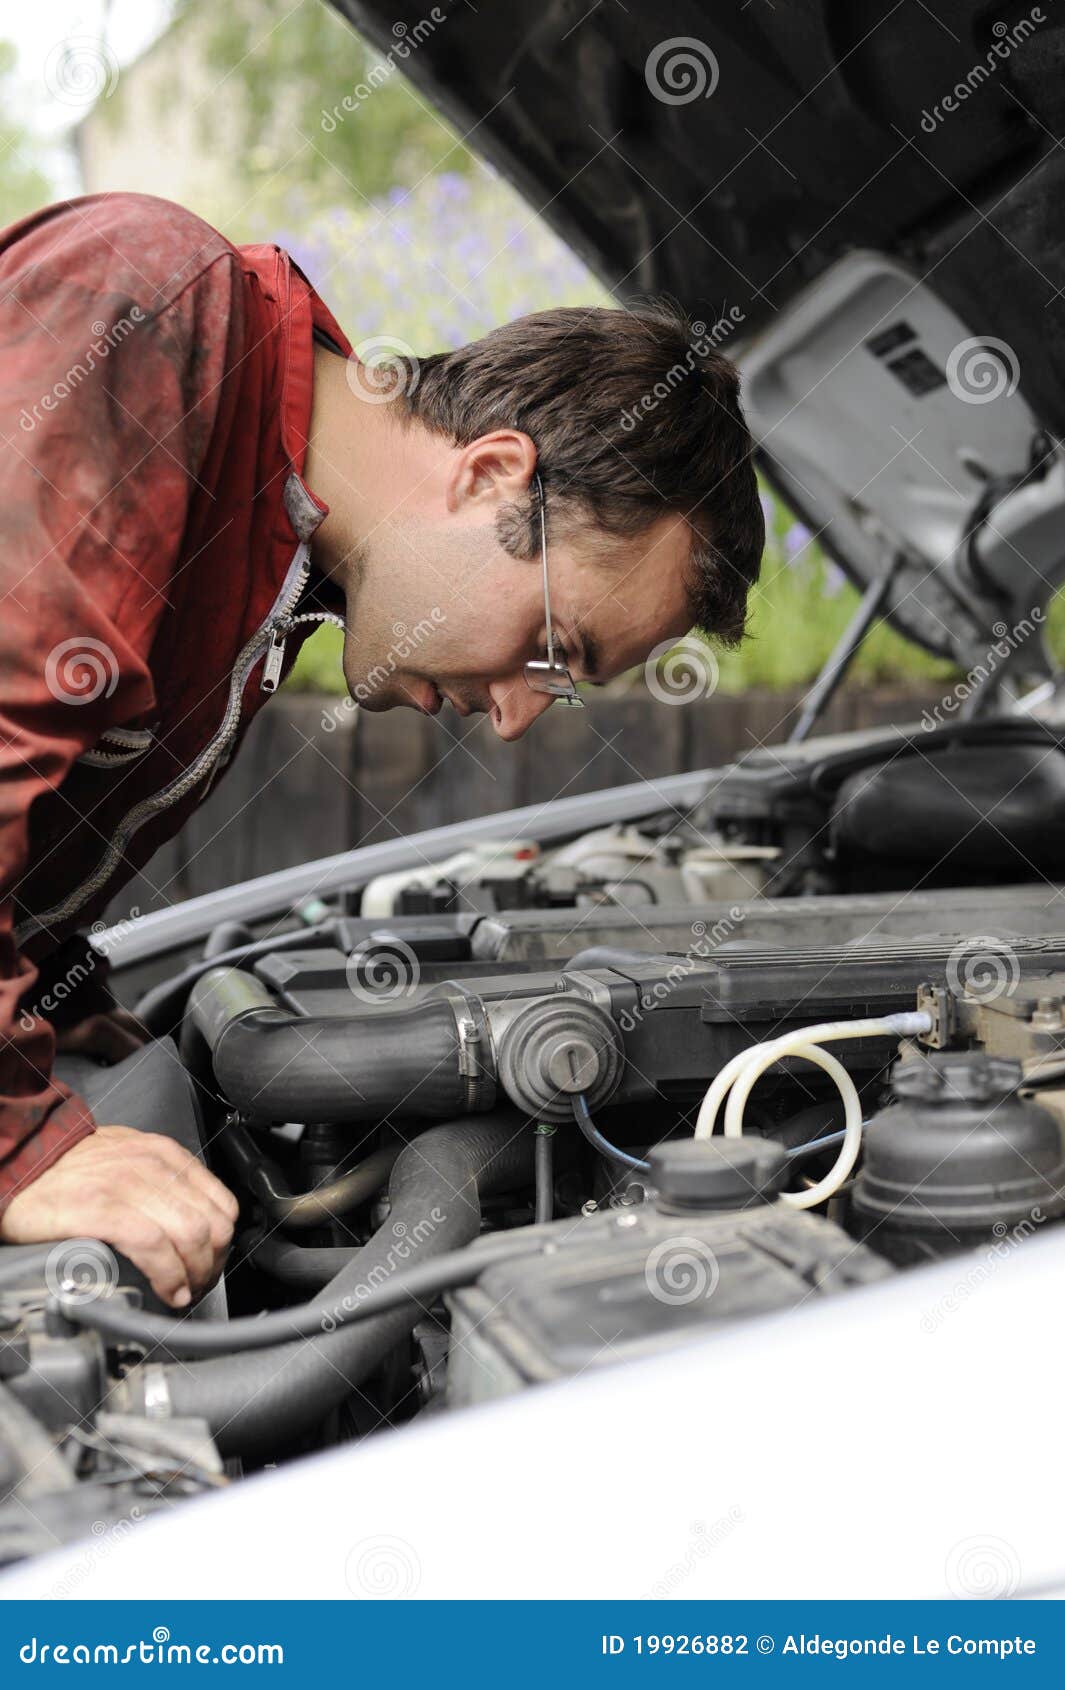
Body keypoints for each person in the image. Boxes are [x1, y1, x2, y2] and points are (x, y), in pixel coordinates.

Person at [0, 192, 764, 1306]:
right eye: (552, 647)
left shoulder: (282, 548)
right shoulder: (152, 300)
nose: (515, 714)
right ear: (493, 472)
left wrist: (68, 1022)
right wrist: (22, 1139)